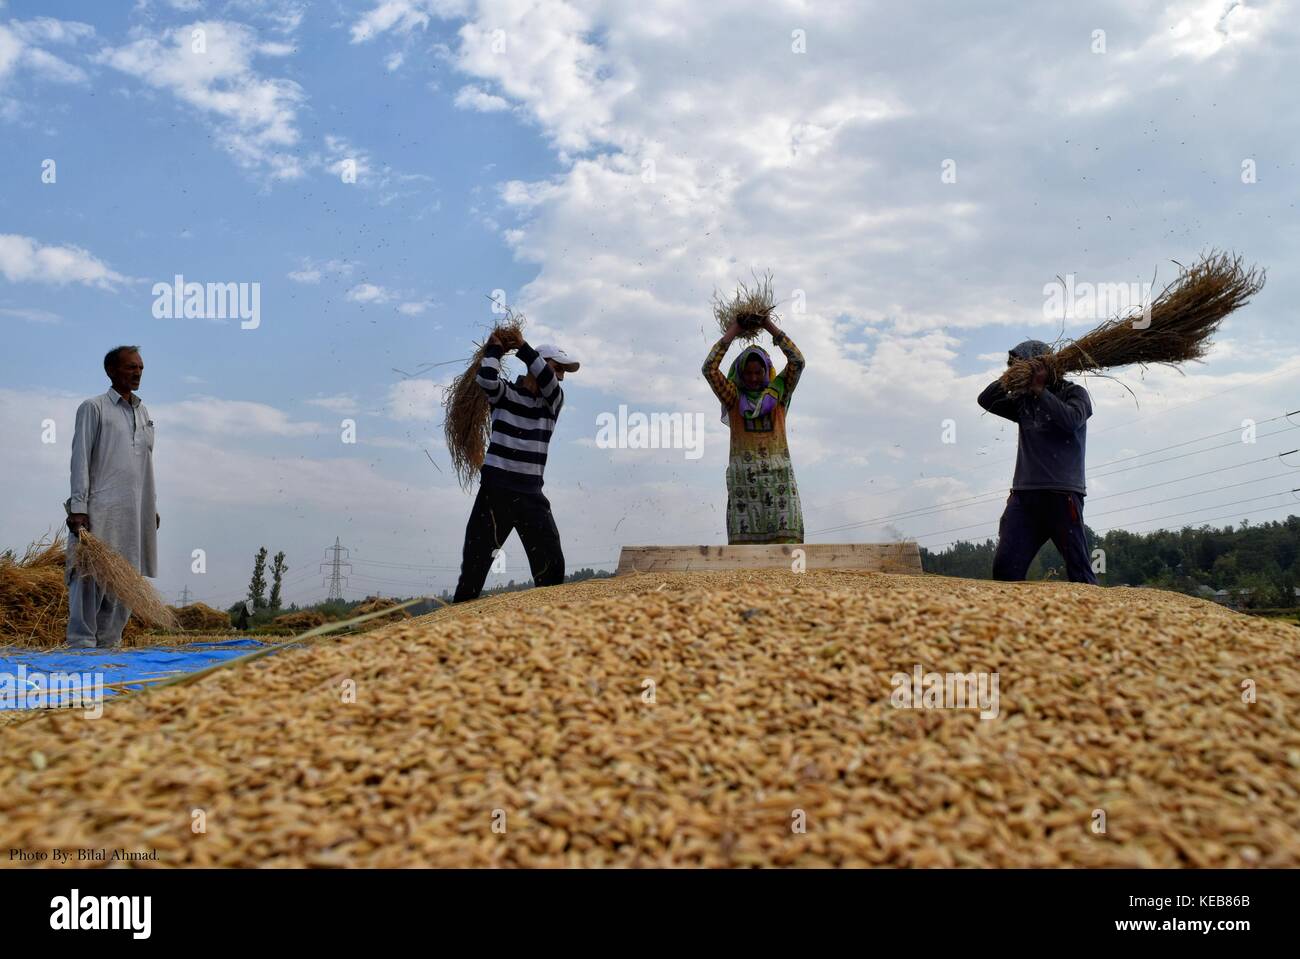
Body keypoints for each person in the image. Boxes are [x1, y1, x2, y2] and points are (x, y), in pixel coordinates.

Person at [452, 330, 579, 602]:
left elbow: (547, 381)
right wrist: (495, 349)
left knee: (552, 568)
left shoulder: (552, 401)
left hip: (531, 494)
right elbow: (486, 380)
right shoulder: (504, 394)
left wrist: (521, 345)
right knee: (473, 571)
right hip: (494, 492)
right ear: (541, 365)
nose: (561, 377)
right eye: (558, 368)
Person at [977, 339, 1097, 584]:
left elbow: (1071, 420)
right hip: (1024, 496)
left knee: (1079, 572)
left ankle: (1097, 615)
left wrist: (1041, 390)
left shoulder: (1074, 393)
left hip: (1062, 496)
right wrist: (1013, 377)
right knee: (1005, 569)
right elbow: (986, 399)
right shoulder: (1023, 402)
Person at [65, 346, 160, 648]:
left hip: (134, 514)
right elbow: (80, 458)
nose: (137, 373)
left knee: (126, 581)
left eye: (140, 368)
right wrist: (79, 506)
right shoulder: (93, 408)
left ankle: (109, 646)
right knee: (90, 577)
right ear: (111, 371)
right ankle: (81, 646)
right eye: (131, 367)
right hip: (99, 509)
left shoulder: (143, 413)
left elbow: (145, 465)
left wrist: (150, 508)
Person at [702, 315, 806, 544]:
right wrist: (734, 330)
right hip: (745, 487)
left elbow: (797, 361)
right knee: (745, 562)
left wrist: (768, 324)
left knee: (785, 549)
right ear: (739, 373)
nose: (752, 378)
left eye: (758, 372)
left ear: (766, 371)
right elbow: (709, 369)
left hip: (779, 483)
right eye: (747, 373)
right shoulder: (733, 397)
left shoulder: (780, 393)